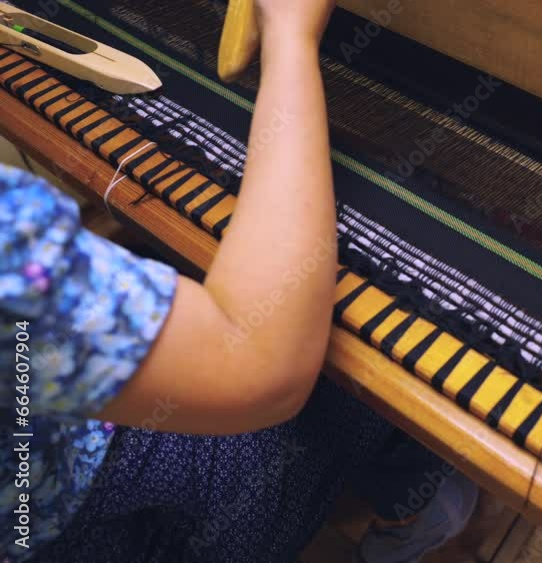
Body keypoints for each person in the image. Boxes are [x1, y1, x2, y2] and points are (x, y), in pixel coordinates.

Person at [0, 1, 476, 561]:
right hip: (59, 519)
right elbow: (258, 364)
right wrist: (290, 38)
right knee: (375, 361)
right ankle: (413, 510)